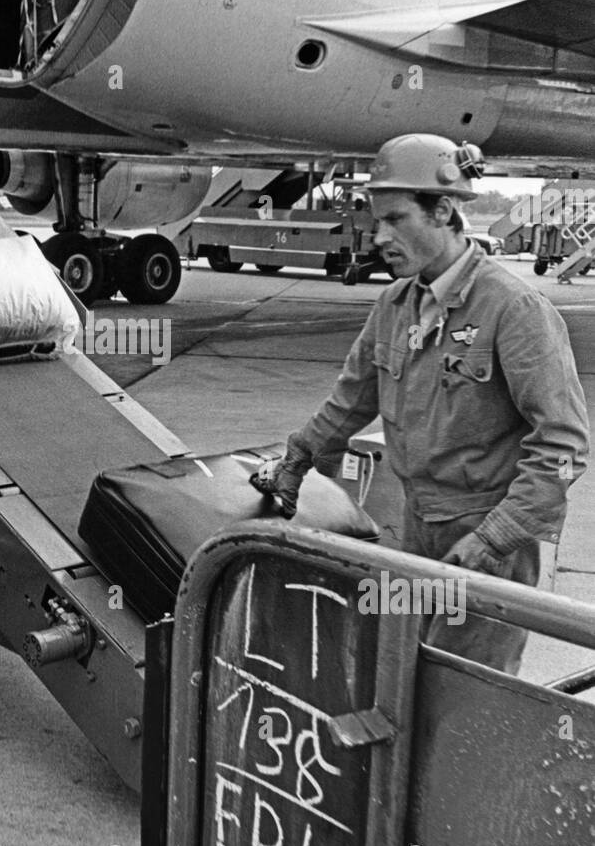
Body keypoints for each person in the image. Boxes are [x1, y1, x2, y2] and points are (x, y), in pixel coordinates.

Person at [251, 133, 589, 674]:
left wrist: (493, 540)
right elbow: (349, 401)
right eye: (376, 219)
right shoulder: (395, 304)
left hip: (486, 546)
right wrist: (296, 463)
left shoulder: (514, 309)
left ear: (445, 211)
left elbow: (565, 445)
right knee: (406, 682)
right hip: (415, 529)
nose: (379, 235)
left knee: (463, 704)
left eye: (396, 219)